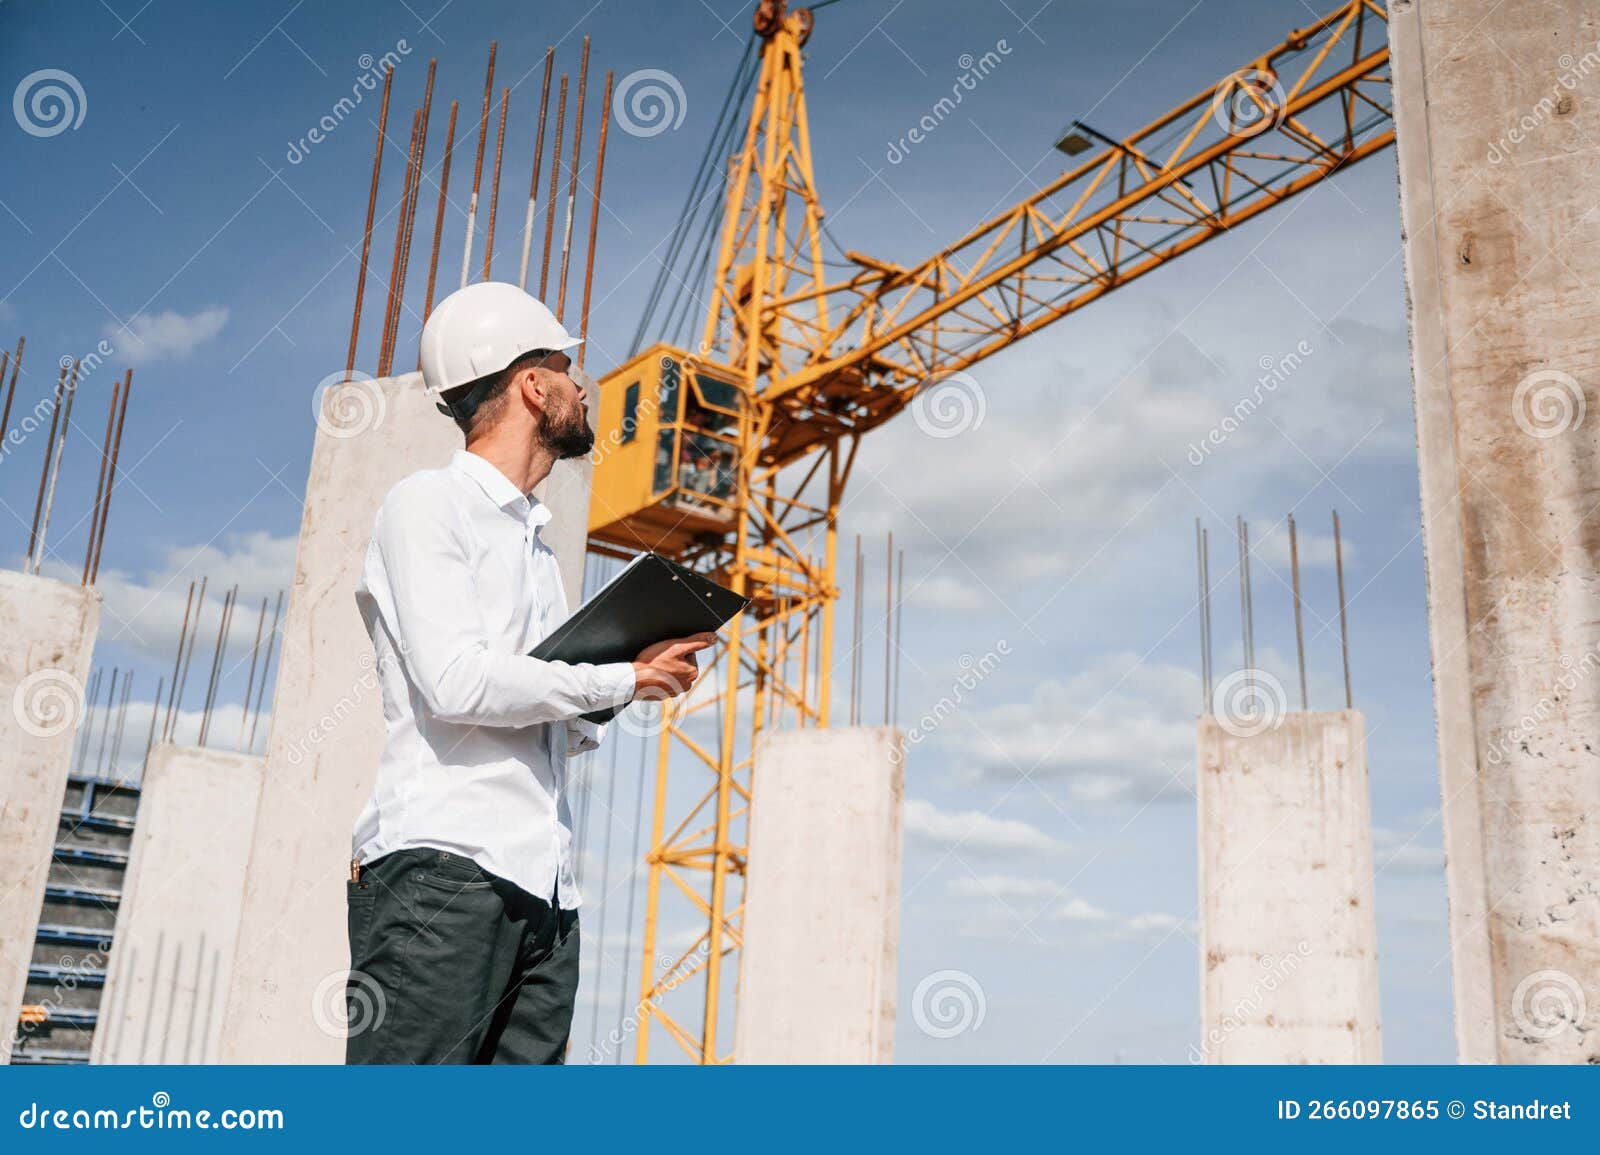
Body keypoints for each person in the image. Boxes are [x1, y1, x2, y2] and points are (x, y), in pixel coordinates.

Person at [346, 282, 715, 1064]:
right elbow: (457, 684)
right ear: (532, 384)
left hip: (546, 890)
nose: (584, 388)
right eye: (569, 368)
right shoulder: (427, 504)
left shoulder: (539, 550)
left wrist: (631, 672)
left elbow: (556, 716)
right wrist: (618, 677)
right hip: (444, 871)